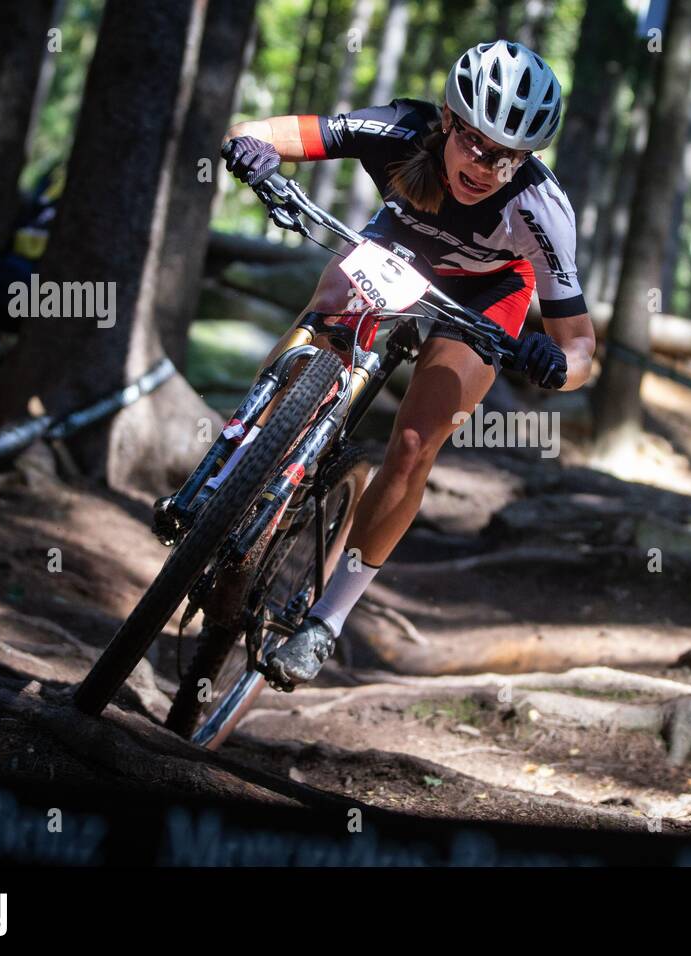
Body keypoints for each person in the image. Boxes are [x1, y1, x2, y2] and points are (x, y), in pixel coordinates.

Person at [218, 40, 596, 690]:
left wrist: (555, 364)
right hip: (397, 249)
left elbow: (582, 345)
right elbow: (266, 130)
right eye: (474, 142)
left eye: (506, 156)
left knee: (418, 443)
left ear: (527, 158)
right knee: (329, 310)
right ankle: (238, 457)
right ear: (448, 121)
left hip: (485, 295)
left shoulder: (542, 209)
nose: (485, 164)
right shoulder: (398, 128)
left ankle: (326, 620)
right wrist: (253, 148)